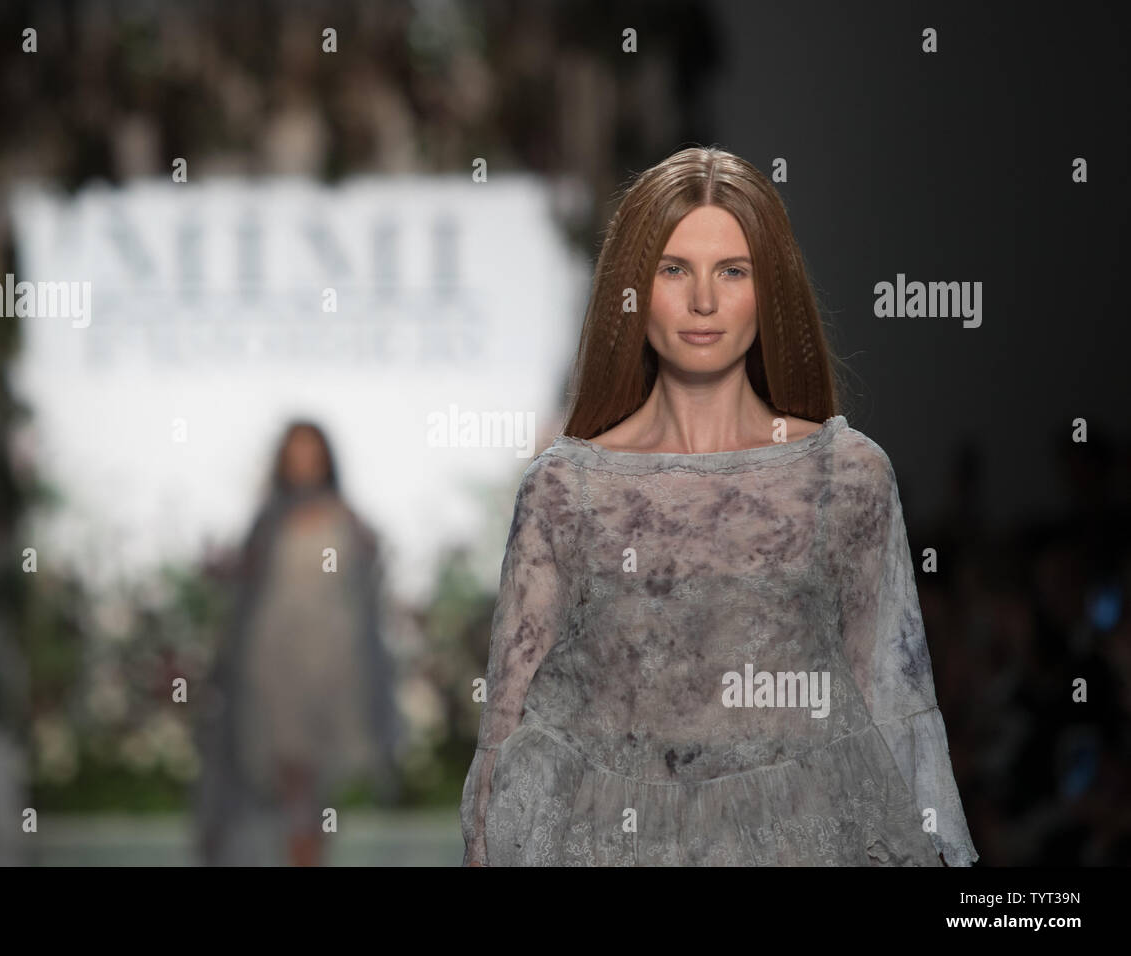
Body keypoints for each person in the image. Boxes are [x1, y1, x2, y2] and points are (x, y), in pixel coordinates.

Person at [459, 146, 979, 866]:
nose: (703, 300)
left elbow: (893, 701)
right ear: (632, 291)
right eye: (673, 269)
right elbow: (506, 729)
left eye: (732, 271)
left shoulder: (844, 477)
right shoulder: (566, 492)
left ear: (770, 291)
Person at [197, 421, 399, 866]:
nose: (304, 462)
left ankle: (309, 855)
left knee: (318, 783)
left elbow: (371, 587)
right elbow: (244, 594)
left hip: (332, 671)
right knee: (289, 778)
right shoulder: (268, 522)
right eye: (296, 453)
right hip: (273, 668)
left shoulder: (348, 519)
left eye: (312, 453)